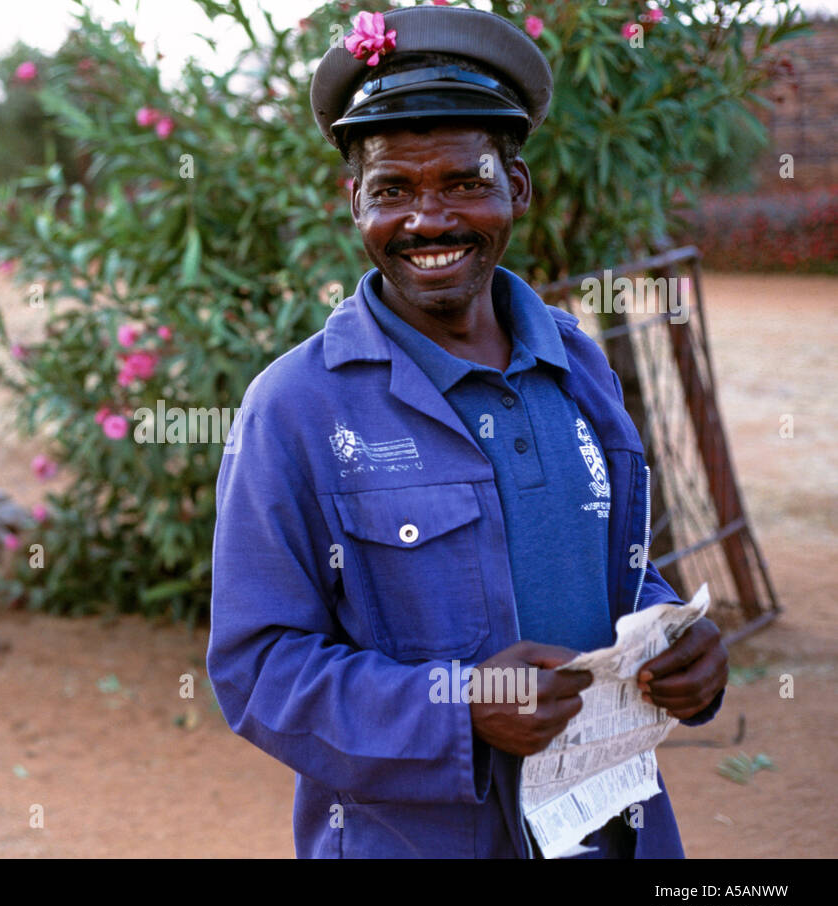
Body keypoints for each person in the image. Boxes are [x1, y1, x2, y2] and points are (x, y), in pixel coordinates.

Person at [206, 4, 728, 859]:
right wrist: (460, 707)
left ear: (515, 188)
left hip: (616, 829)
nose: (428, 220)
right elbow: (258, 670)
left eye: (462, 181)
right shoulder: (294, 408)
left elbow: (615, 569)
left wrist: (676, 635)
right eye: (392, 191)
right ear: (354, 204)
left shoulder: (578, 367)